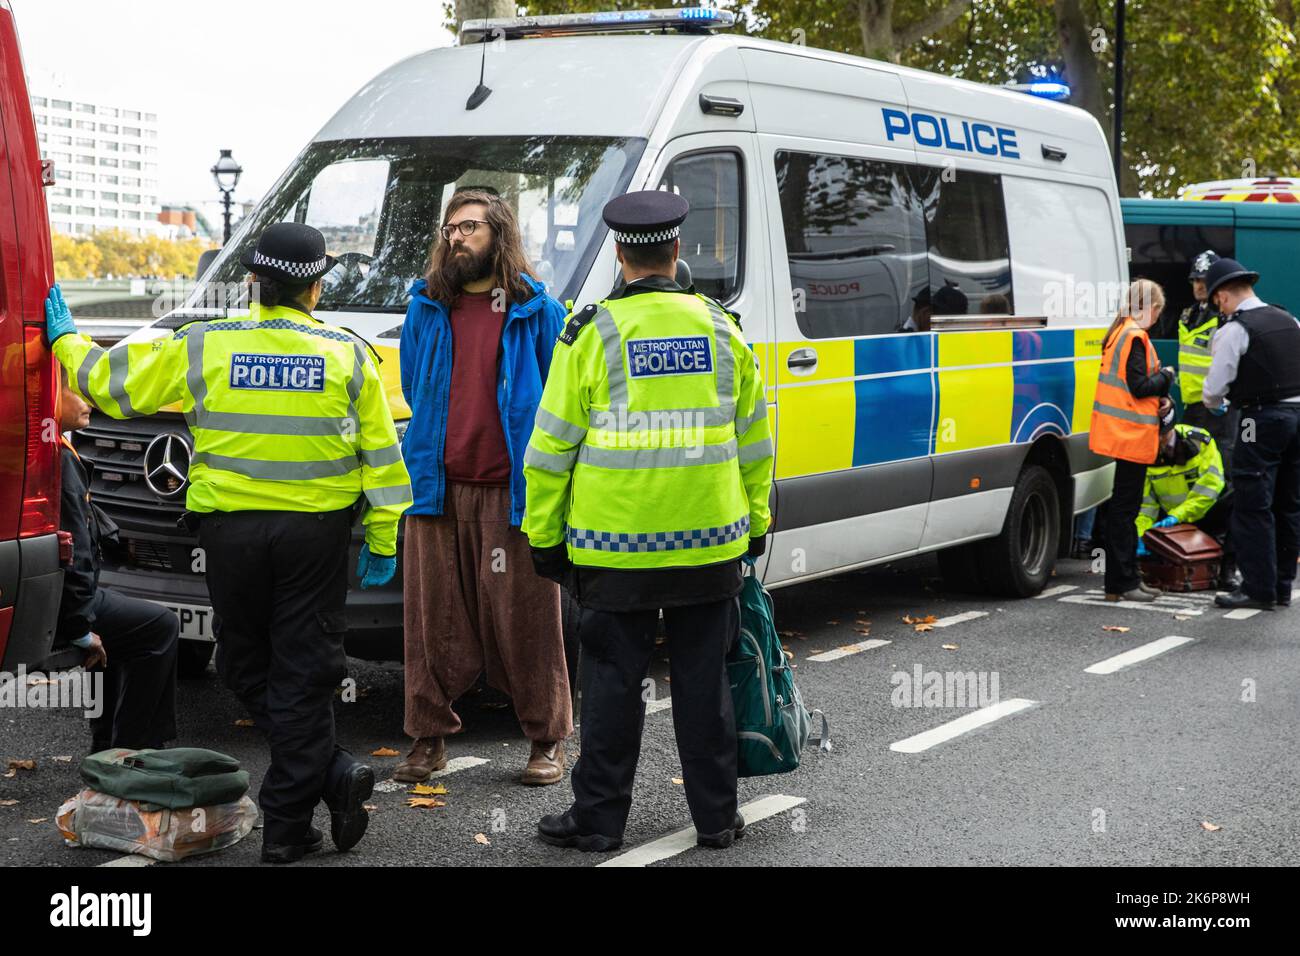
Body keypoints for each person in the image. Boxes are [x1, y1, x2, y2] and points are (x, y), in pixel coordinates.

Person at [44, 222, 413, 863]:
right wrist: (383, 536)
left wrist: (66, 338)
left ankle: (291, 822)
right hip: (314, 539)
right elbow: (382, 457)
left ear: (252, 283)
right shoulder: (351, 355)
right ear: (317, 288)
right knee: (305, 672)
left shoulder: (205, 345)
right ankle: (323, 779)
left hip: (231, 537)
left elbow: (108, 384)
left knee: (243, 665)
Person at [523, 190, 775, 852]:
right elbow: (755, 445)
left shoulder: (592, 334)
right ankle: (718, 818)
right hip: (710, 548)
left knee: (610, 692)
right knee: (704, 684)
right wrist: (755, 525)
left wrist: (544, 540)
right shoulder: (724, 331)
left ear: (619, 253)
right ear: (678, 250)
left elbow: (549, 452)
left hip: (614, 554)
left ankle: (599, 821)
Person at [395, 188, 572, 786]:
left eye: (470, 227)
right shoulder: (425, 306)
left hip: (511, 490)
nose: (457, 237)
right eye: (450, 229)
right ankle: (427, 739)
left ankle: (546, 740)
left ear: (500, 233)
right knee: (430, 621)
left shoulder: (538, 309)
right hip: (436, 487)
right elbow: (418, 389)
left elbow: (558, 401)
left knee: (526, 621)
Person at [55, 367, 179, 753]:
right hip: (64, 606)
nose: (88, 401)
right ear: (50, 396)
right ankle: (132, 753)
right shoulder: (58, 459)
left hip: (56, 596)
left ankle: (106, 745)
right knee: (161, 627)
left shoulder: (50, 446)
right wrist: (80, 629)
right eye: (75, 391)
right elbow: (73, 555)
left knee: (124, 631)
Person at [1199, 257, 1300, 610]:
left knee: (1252, 502)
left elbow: (1214, 389)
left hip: (1257, 418)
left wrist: (1216, 405)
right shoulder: (1289, 320)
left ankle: (1258, 588)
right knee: (1289, 504)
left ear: (1223, 296)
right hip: (1298, 415)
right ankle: (1282, 585)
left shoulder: (1235, 329)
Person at [1088, 278, 1175, 602]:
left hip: (1118, 431)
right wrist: (1167, 377)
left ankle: (1119, 581)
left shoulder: (1118, 332)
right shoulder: (1135, 336)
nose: (1156, 318)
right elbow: (1139, 386)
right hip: (1131, 435)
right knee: (1125, 511)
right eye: (1157, 311)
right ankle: (1123, 581)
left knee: (1120, 509)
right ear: (1150, 308)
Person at [1135, 402, 1237, 591]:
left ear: (1171, 428)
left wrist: (1179, 515)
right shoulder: (1145, 452)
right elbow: (1146, 506)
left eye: (1162, 435)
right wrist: (1142, 535)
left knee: (1237, 502)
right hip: (1171, 523)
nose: (1158, 441)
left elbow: (1210, 489)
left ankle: (1227, 572)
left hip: (1205, 512)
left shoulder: (1200, 441)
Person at [1177, 250, 1238, 473]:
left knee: (1219, 462)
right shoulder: (1189, 315)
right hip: (1192, 404)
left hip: (1216, 406)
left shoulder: (1224, 317)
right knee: (1193, 463)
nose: (1198, 286)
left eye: (1203, 280)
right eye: (1194, 280)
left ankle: (1224, 508)